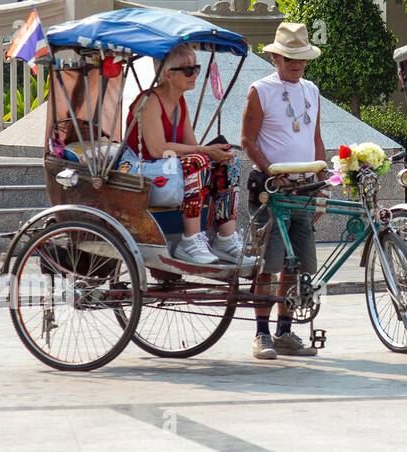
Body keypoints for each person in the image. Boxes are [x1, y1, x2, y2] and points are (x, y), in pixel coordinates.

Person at [240, 22, 327, 361]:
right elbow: (248, 140)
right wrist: (271, 173)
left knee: (298, 264)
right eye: (291, 58)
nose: (298, 64)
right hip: (272, 188)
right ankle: (261, 333)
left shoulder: (312, 90)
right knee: (269, 262)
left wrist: (322, 182)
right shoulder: (260, 90)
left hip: (306, 185)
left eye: (302, 58)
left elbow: (317, 141)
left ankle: (285, 331)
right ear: (276, 57)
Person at [126, 44, 240, 267]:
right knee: (197, 161)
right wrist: (204, 152)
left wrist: (214, 153)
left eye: (196, 68)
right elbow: (158, 149)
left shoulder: (179, 102)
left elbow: (191, 145)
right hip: (143, 172)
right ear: (168, 75)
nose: (194, 75)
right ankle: (189, 240)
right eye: (188, 70)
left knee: (228, 161)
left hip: (170, 170)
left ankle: (226, 238)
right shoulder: (148, 101)